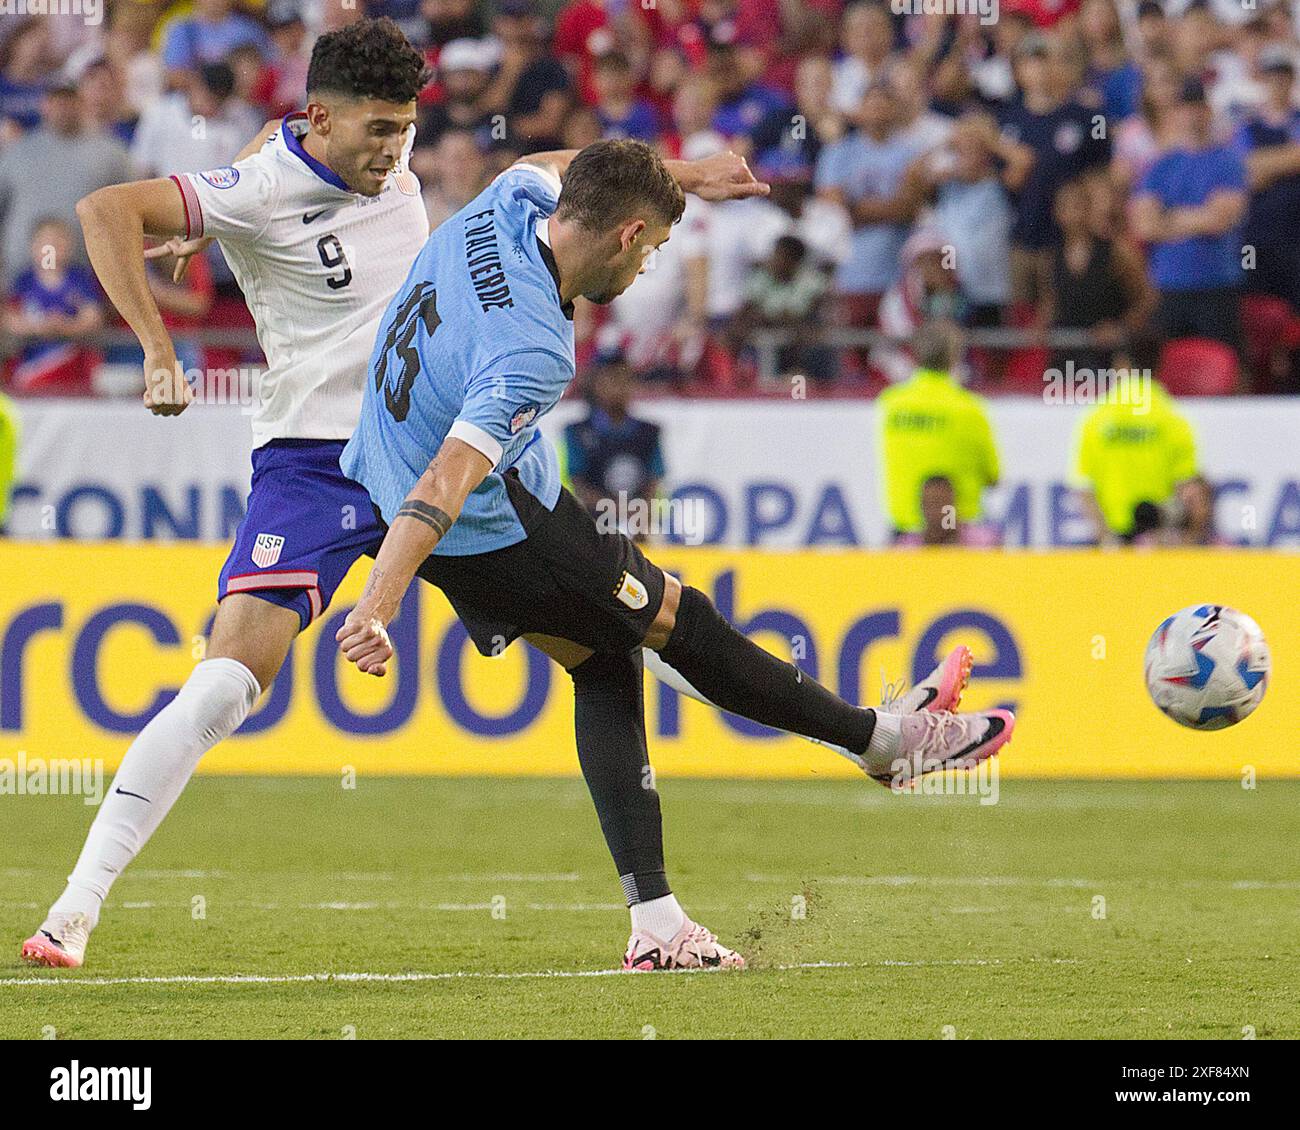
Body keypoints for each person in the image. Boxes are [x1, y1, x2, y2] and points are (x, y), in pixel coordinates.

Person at [335, 139, 1015, 971]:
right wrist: (379, 599)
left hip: (398, 465)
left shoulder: (503, 205)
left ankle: (656, 922)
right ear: (626, 236)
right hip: (478, 518)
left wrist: (684, 178)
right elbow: (450, 474)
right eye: (653, 245)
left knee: (604, 662)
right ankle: (880, 744)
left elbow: (566, 158)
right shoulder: (535, 348)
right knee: (670, 615)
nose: (652, 264)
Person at [20, 18, 434, 973]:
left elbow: (282, 143)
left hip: (431, 449)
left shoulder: (363, 152)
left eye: (404, 130)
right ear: (322, 117)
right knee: (225, 682)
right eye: (378, 130)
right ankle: (76, 909)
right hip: (315, 461)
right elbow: (103, 212)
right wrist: (160, 354)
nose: (394, 150)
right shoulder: (261, 187)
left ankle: (841, 749)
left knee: (611, 618)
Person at [1130, 77, 1247, 352]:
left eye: (1197, 107)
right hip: (1170, 286)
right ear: (1174, 113)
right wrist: (1198, 217)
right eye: (1184, 107)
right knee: (1170, 370)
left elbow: (1220, 220)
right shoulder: (1160, 165)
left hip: (1216, 284)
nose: (1191, 114)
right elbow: (1144, 226)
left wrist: (1167, 217)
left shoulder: (1227, 161)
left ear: (1207, 111)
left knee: (1224, 365)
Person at [878, 321, 1001, 542]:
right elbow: (993, 477)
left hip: (904, 530)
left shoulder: (891, 404)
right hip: (959, 536)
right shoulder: (969, 408)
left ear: (915, 355)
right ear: (955, 357)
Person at [1071, 374, 1198, 545]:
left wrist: (1105, 537)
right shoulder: (1172, 416)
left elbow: (1084, 486)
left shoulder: (1098, 416)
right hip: (1159, 534)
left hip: (1115, 534)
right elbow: (1187, 487)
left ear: (1121, 366)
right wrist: (1180, 538)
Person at [563, 348, 665, 539]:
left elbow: (654, 482)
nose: (620, 387)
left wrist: (642, 518)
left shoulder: (649, 432)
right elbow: (578, 486)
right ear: (595, 385)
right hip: (593, 528)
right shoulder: (577, 432)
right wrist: (618, 511)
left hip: (637, 528)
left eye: (626, 379)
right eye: (612, 379)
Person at [3, 217, 104, 394]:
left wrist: (64, 326)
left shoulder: (79, 280)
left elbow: (93, 319)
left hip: (72, 365)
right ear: (33, 247)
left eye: (58, 241)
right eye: (46, 243)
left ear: (70, 246)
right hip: (31, 365)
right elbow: (9, 320)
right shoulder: (24, 281)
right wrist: (40, 326)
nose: (52, 248)